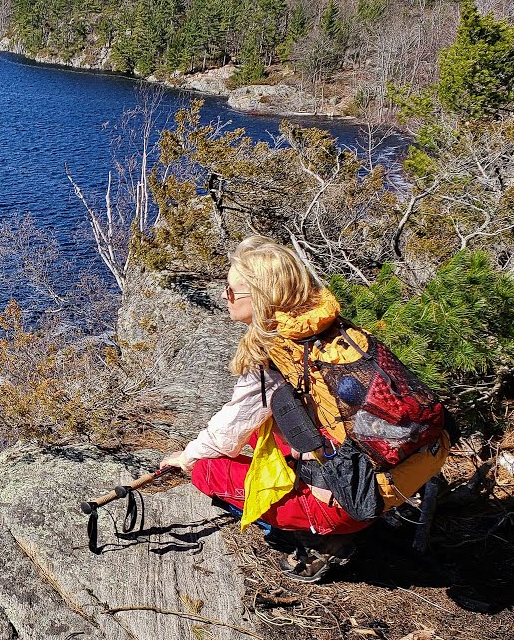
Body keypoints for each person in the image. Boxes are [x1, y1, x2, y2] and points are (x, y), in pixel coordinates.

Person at [158, 236, 371, 582]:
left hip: (349, 503)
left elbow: (225, 435)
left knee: (206, 469)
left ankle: (325, 538)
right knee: (263, 427)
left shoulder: (275, 356)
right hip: (381, 478)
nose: (224, 296)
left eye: (231, 290)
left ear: (259, 298)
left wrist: (185, 458)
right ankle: (328, 511)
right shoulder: (328, 332)